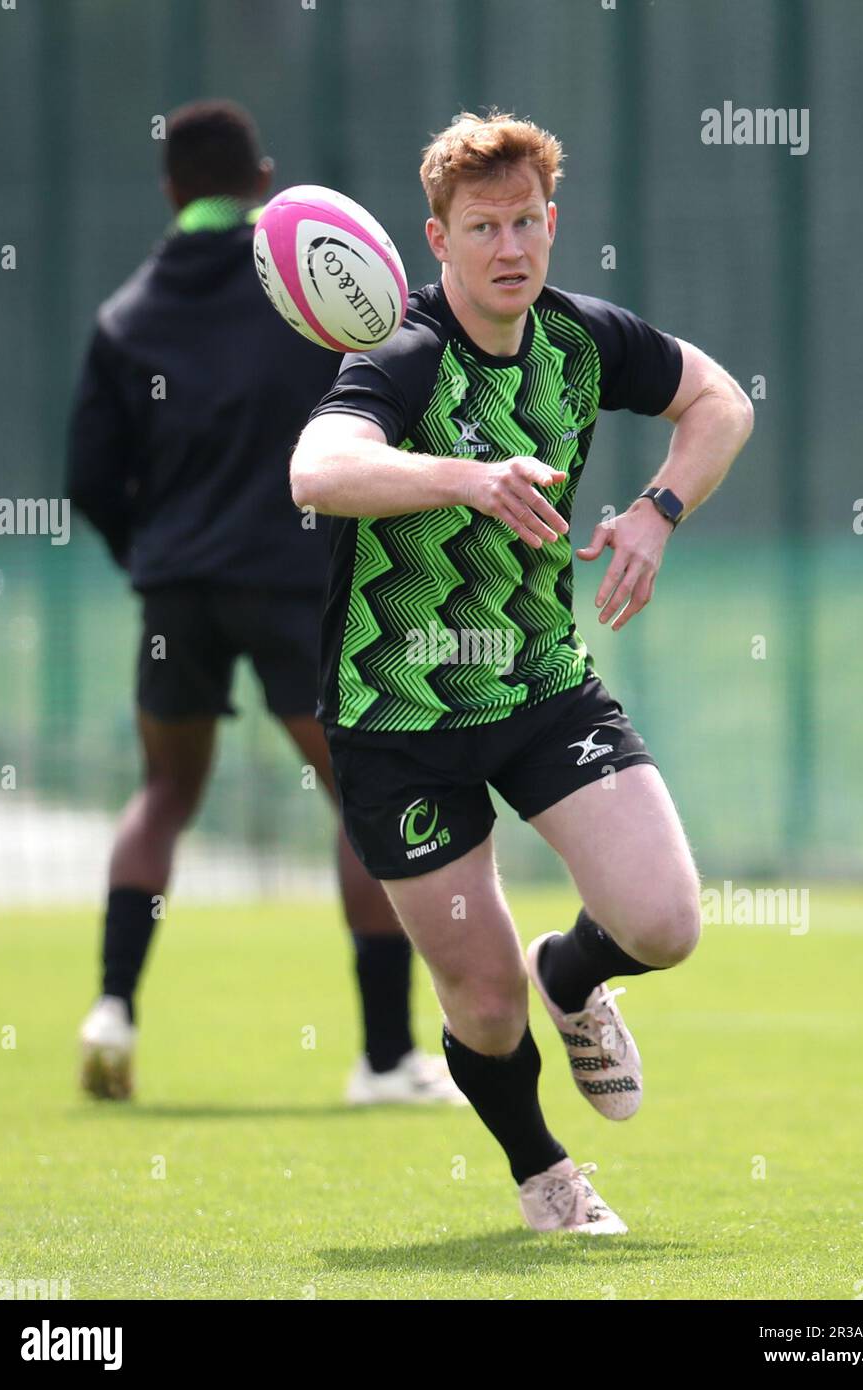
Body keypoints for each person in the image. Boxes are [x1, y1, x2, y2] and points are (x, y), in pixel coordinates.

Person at [290, 109, 753, 1233]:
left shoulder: (582, 340)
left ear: (555, 224)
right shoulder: (401, 352)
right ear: (436, 239)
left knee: (664, 921)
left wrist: (658, 509)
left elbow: (721, 401)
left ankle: (574, 972)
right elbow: (318, 468)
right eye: (483, 225)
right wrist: (465, 475)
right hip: (396, 716)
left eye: (528, 222)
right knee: (483, 1007)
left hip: (540, 684)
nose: (511, 247)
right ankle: (545, 1172)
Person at [66, 98, 462, 1107]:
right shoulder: (311, 295)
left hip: (176, 591)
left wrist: (149, 555)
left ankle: (113, 1006)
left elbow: (87, 479)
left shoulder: (123, 316)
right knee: (360, 800)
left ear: (169, 191)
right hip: (297, 582)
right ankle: (383, 1059)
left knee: (163, 795)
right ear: (262, 179)